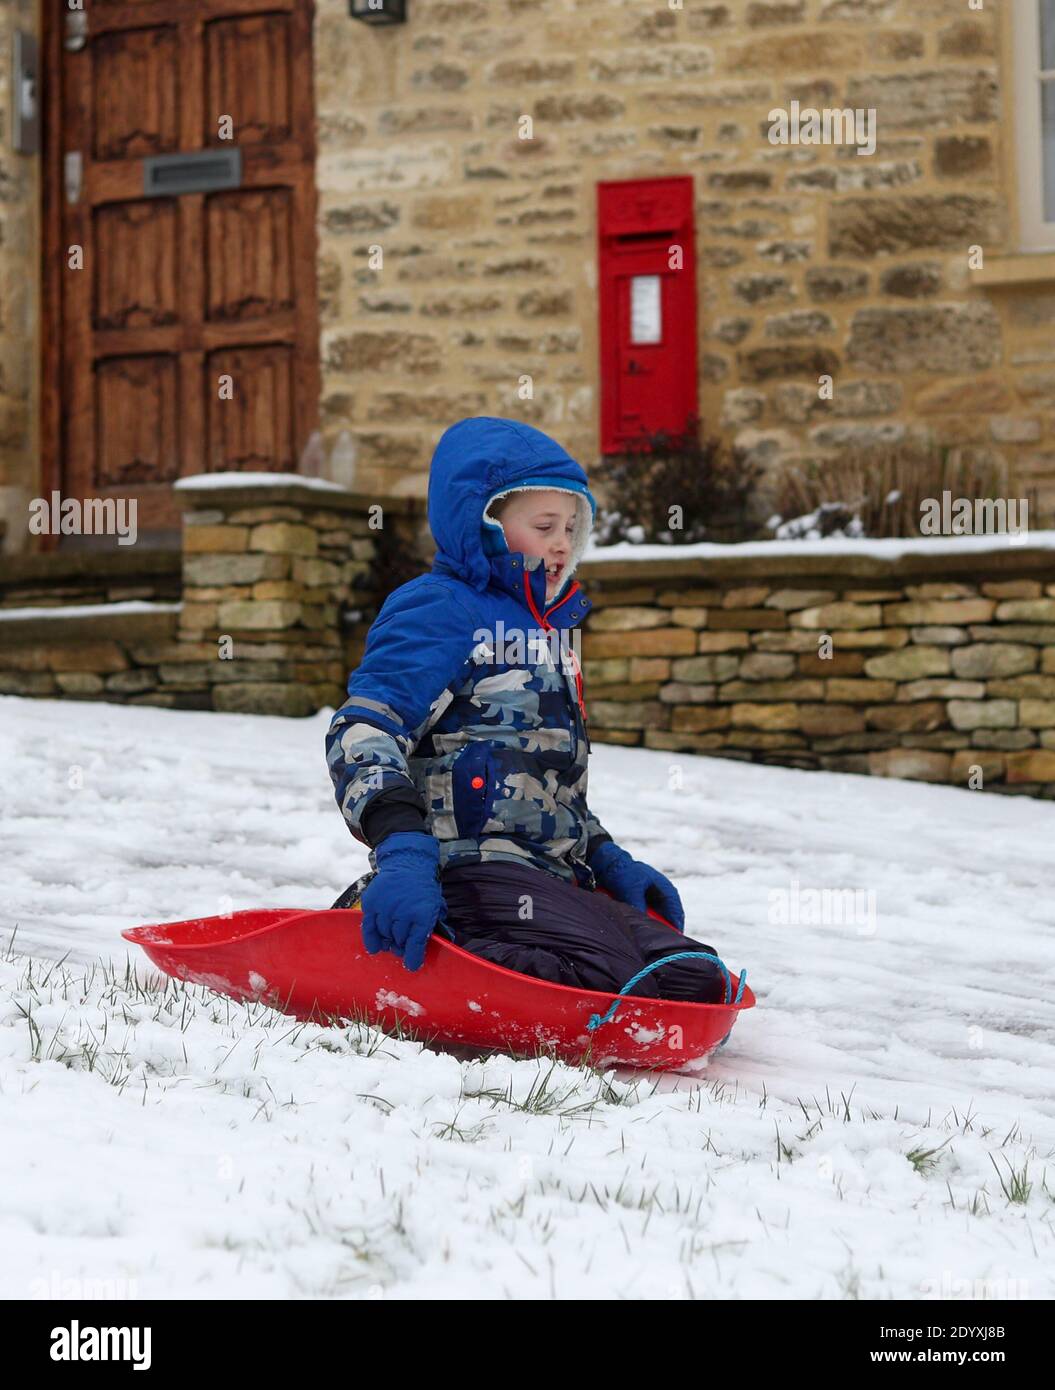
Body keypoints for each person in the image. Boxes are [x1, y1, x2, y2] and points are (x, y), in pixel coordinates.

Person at [325, 416, 726, 1004]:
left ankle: (500, 954)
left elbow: (544, 781)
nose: (562, 542)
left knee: (693, 975)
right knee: (617, 982)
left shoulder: (548, 636)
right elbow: (363, 730)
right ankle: (416, 942)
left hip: (552, 877)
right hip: (468, 870)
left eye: (571, 527)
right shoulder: (440, 609)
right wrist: (404, 852)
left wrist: (608, 858)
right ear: (484, 524)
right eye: (543, 526)